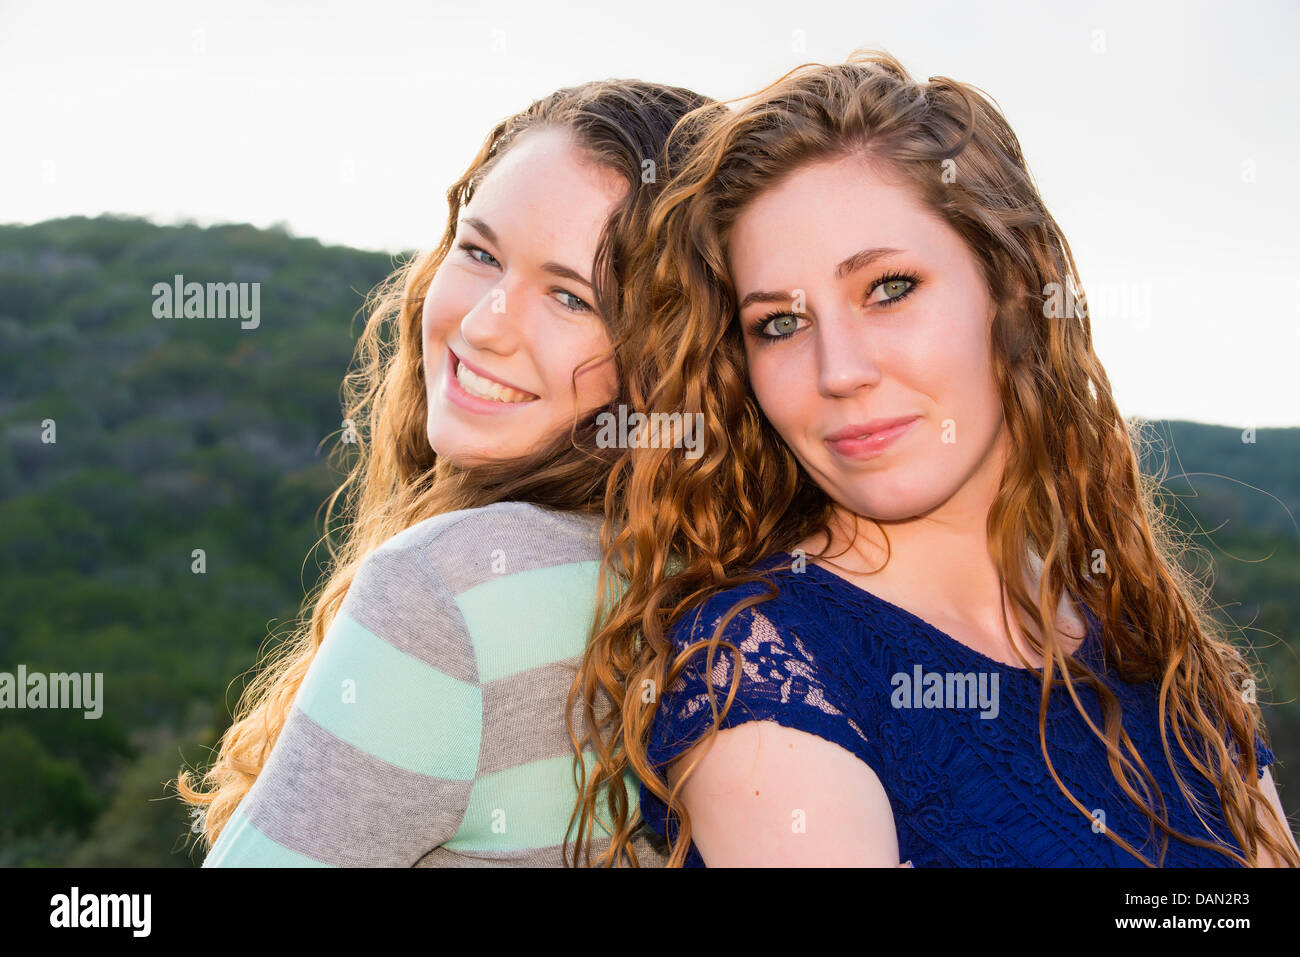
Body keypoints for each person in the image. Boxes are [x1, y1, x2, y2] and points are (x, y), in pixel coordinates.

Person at [570, 50, 1299, 867]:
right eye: (779, 323)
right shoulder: (765, 674)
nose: (840, 371)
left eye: (889, 288)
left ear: (1012, 290)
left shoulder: (1149, 644)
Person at [174, 77, 717, 866]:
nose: (485, 322)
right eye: (479, 251)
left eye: (572, 297)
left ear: (669, 358)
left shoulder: (446, 592)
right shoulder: (719, 574)